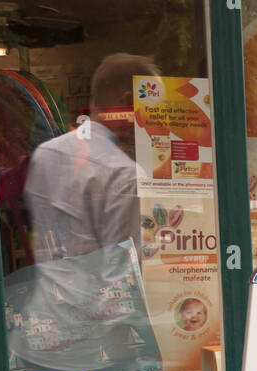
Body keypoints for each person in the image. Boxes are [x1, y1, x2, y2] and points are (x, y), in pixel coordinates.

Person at [24, 54, 159, 262]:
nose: (153, 119)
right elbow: (125, 269)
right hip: (96, 293)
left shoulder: (46, 154)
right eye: (151, 107)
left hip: (49, 292)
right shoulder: (125, 174)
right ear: (126, 102)